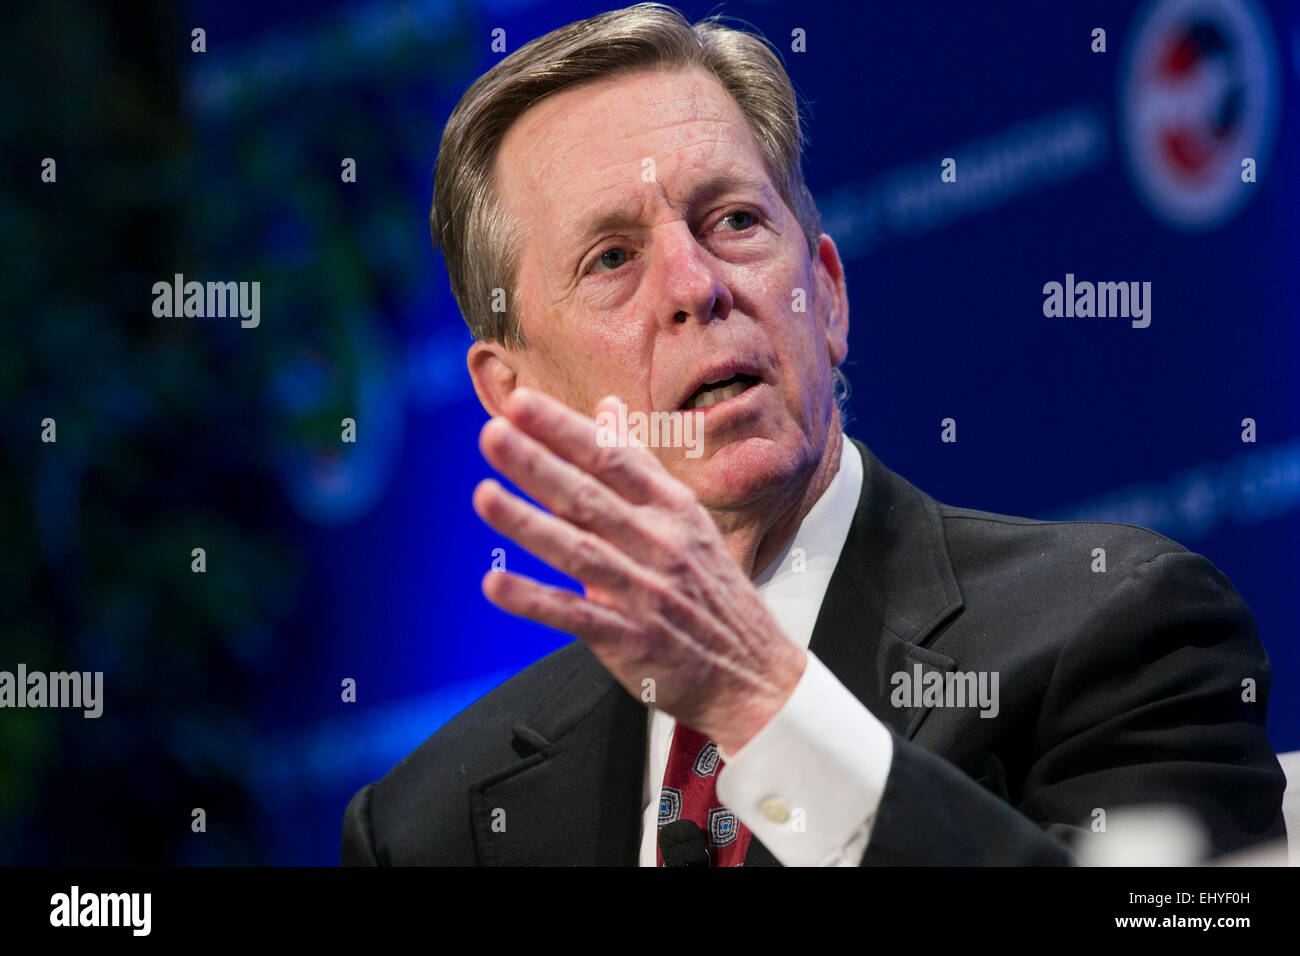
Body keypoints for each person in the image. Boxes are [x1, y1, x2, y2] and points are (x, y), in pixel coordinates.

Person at [341, 3, 1287, 866]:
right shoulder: (428, 828)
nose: (694, 285)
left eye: (735, 220)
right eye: (612, 257)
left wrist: (764, 706)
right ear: (516, 395)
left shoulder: (1119, 634)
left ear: (826, 295)